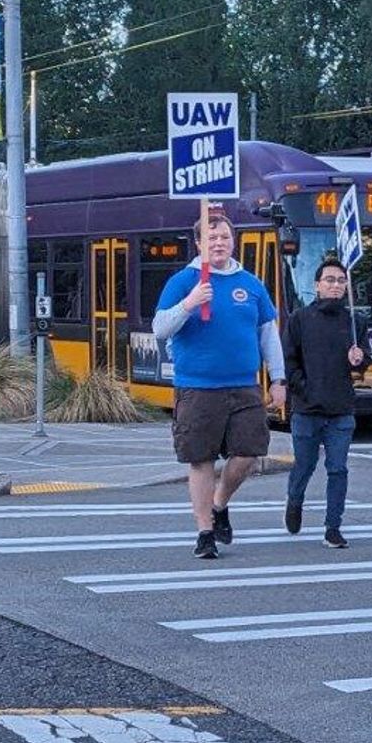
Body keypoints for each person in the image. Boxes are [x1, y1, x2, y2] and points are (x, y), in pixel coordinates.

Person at [152, 212, 287, 559]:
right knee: (200, 460)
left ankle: (219, 502)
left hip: (244, 386)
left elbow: (268, 335)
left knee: (248, 456)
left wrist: (278, 379)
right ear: (199, 243)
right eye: (211, 238)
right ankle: (204, 532)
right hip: (197, 387)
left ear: (233, 240)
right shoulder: (184, 281)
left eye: (224, 237)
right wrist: (189, 303)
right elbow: (161, 328)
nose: (218, 243)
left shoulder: (251, 284)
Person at [281, 259, 370, 548]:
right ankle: (295, 500)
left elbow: (361, 365)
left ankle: (334, 526)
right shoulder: (299, 319)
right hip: (307, 409)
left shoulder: (355, 322)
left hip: (341, 409)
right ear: (317, 285)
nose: (335, 285)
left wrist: (359, 361)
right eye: (329, 280)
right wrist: (304, 388)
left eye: (341, 281)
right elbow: (289, 360)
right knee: (304, 465)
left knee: (338, 468)